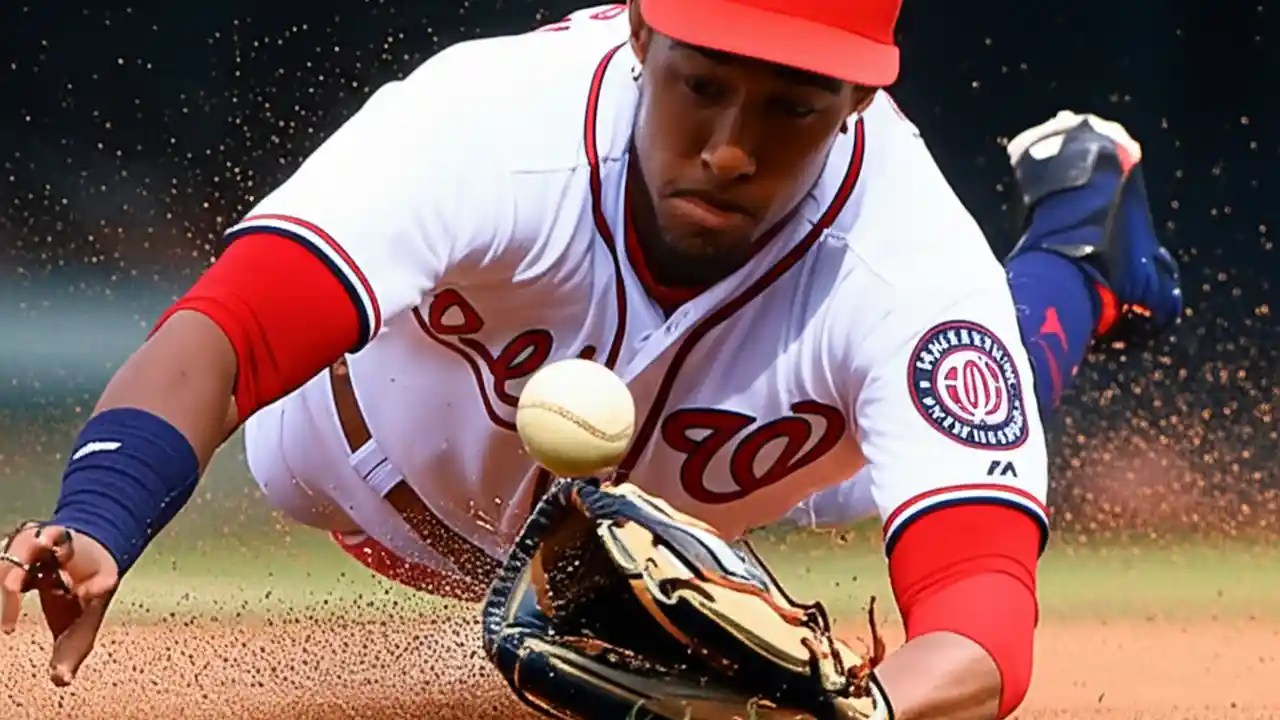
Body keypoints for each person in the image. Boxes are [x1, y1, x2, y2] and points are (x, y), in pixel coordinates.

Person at [0, 2, 1180, 718]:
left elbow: (980, 613)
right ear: (637, 32)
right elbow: (228, 330)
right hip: (334, 459)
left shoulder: (904, 259)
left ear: (859, 103)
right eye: (703, 86)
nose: (727, 149)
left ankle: (1075, 245)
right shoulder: (485, 122)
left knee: (983, 396)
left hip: (696, 502)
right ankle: (1081, 237)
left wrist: (863, 712)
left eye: (789, 108)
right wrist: (99, 512)